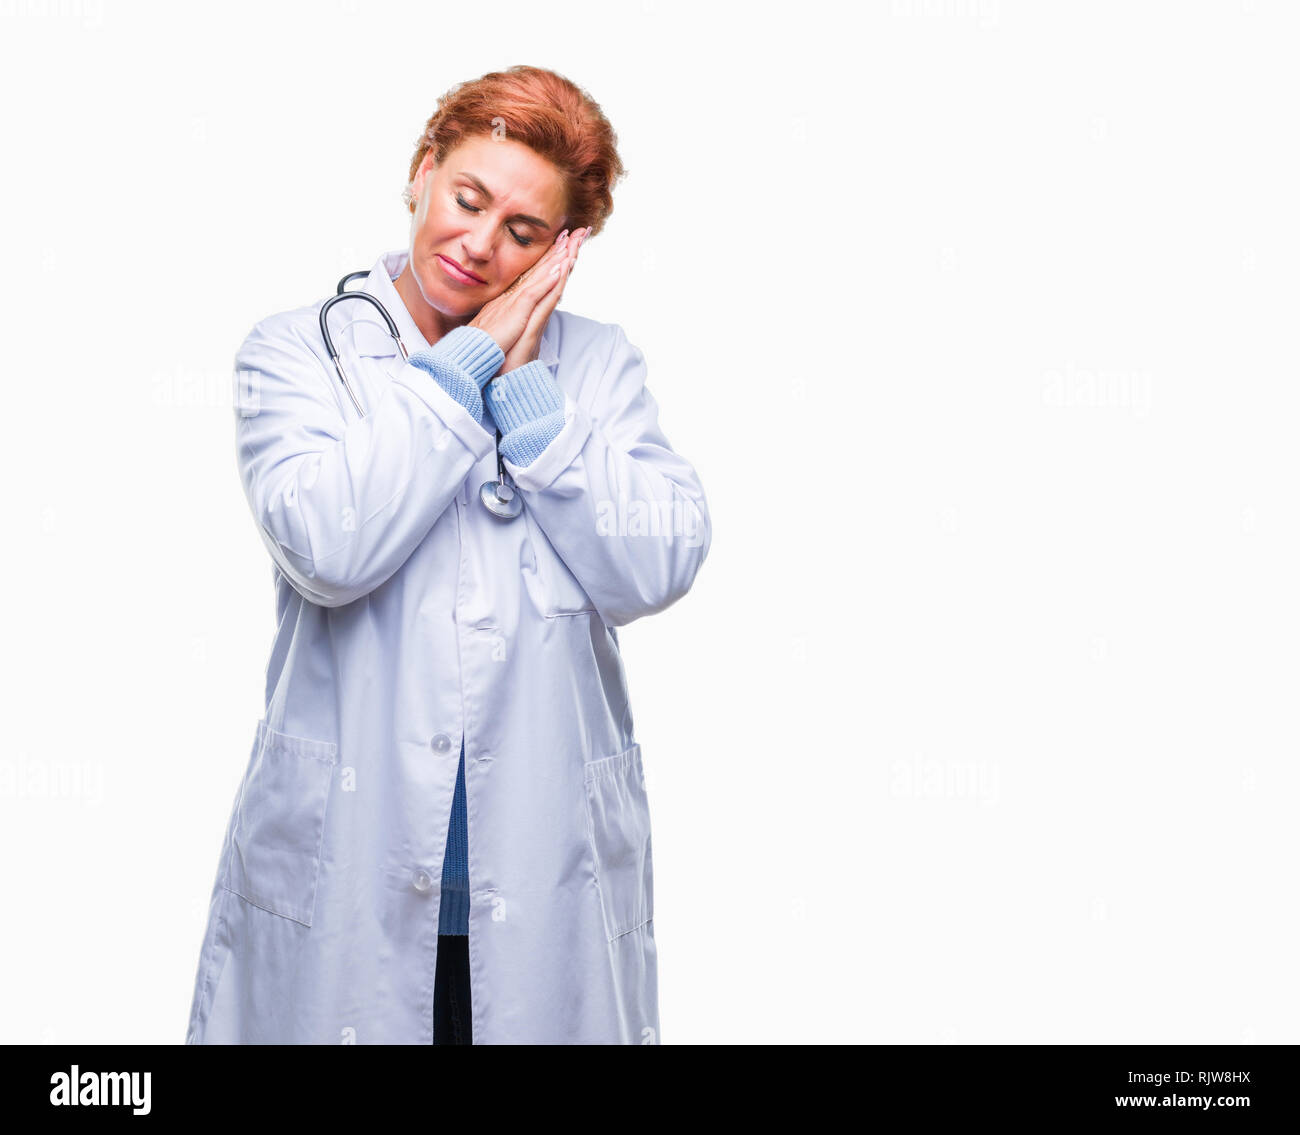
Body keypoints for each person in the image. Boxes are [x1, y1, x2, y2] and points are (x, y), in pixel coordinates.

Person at [184, 65, 711, 1045]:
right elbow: (330, 543)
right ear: (423, 173)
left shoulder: (594, 366)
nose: (478, 245)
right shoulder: (300, 354)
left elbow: (659, 560)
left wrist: (534, 408)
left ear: (562, 248)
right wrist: (461, 372)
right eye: (468, 200)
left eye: (522, 230)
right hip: (347, 877)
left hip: (543, 884)